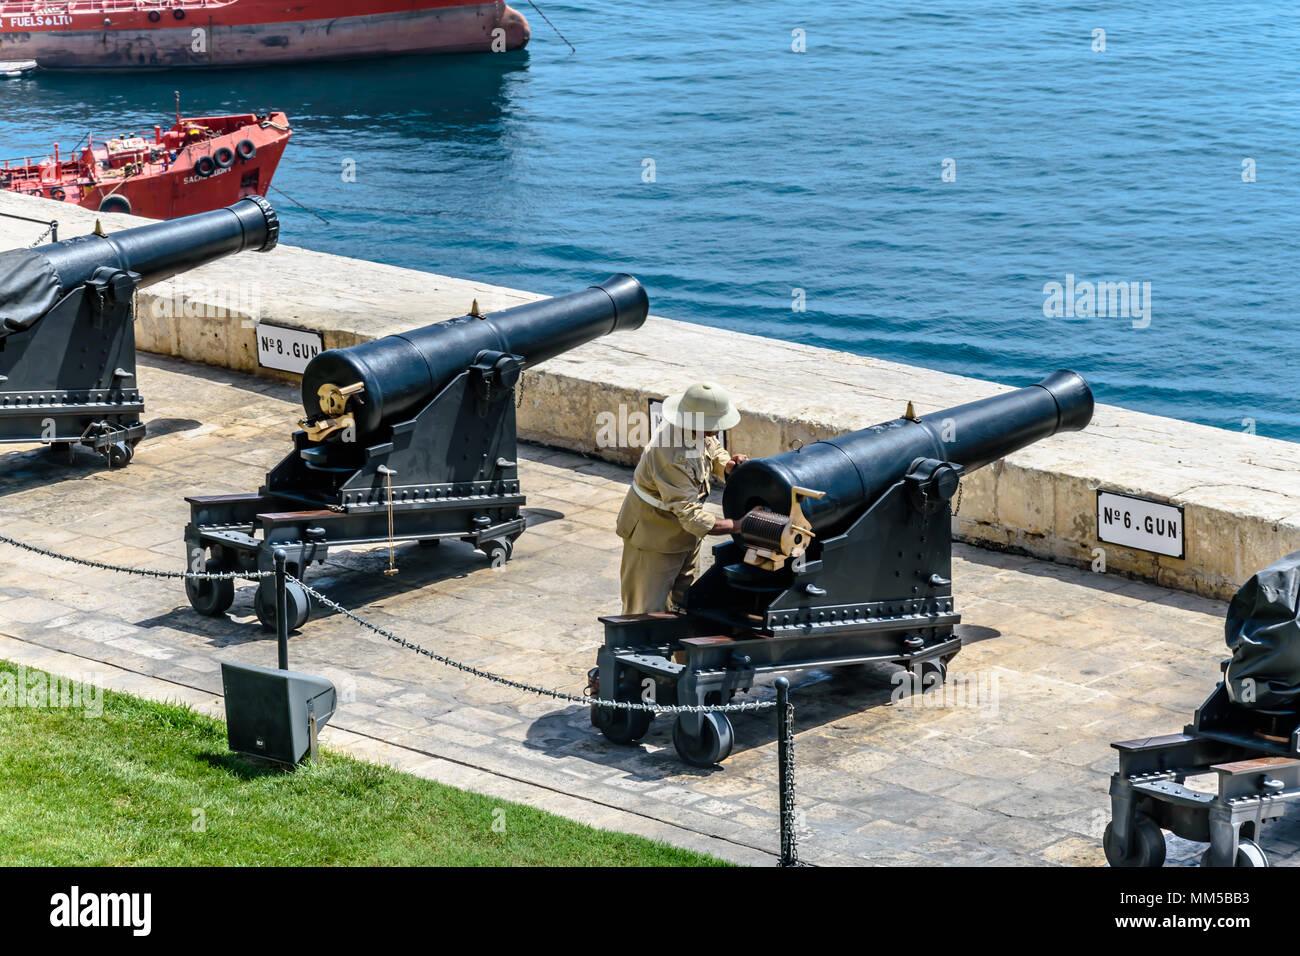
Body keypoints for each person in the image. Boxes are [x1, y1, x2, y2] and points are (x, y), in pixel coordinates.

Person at [615, 382, 749, 614]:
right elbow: (690, 515)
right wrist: (739, 525)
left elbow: (712, 449)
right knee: (644, 613)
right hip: (652, 540)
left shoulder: (694, 428)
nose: (716, 431)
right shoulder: (671, 454)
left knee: (684, 607)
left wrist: (726, 466)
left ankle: (682, 651)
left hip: (683, 538)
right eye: (711, 426)